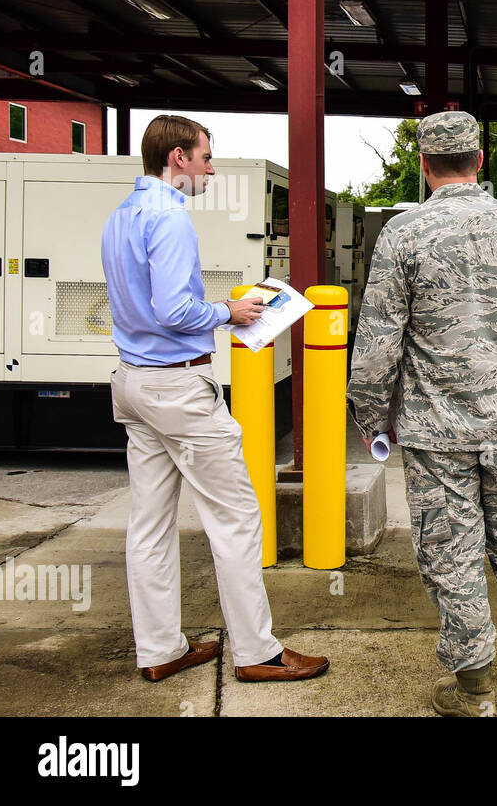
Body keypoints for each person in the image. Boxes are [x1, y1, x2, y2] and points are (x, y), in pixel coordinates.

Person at [346, 110, 497, 717]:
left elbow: (376, 348)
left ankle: (475, 691)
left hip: (436, 430)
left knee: (453, 552)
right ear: (480, 161)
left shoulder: (403, 234)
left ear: (423, 165)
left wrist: (371, 418)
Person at [102, 114, 328, 683]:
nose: (210, 168)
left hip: (133, 382)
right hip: (178, 388)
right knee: (236, 518)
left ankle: (160, 650)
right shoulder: (171, 218)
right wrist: (232, 312)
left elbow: (143, 306)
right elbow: (174, 311)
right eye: (205, 157)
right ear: (178, 158)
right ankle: (258, 653)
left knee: (149, 524)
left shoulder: (120, 217)